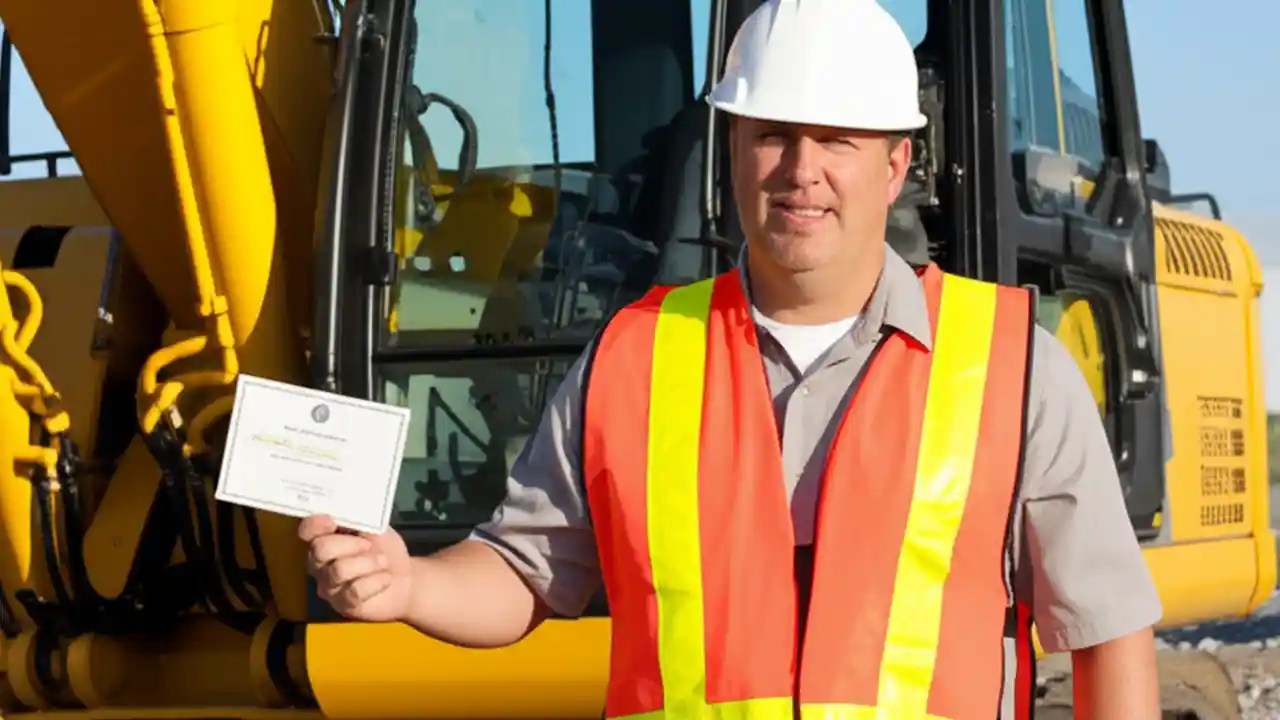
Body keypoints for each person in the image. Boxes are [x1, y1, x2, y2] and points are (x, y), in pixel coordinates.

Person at [300, 0, 1163, 717]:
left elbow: (1108, 631)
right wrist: (408, 584)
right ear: (734, 149)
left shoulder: (1012, 369)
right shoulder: (634, 356)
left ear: (895, 165)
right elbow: (526, 571)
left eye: (838, 140)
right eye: (773, 135)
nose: (801, 170)